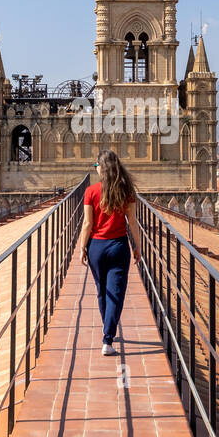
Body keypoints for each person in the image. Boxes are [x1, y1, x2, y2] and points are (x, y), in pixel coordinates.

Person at [78, 149, 142, 356]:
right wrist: (137, 246)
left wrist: (82, 247)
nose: (95, 169)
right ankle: (107, 338)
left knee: (102, 290)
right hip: (118, 246)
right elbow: (132, 222)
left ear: (101, 168)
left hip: (96, 247)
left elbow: (87, 223)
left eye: (96, 166)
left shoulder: (91, 191)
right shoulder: (127, 190)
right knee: (116, 292)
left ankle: (108, 329)